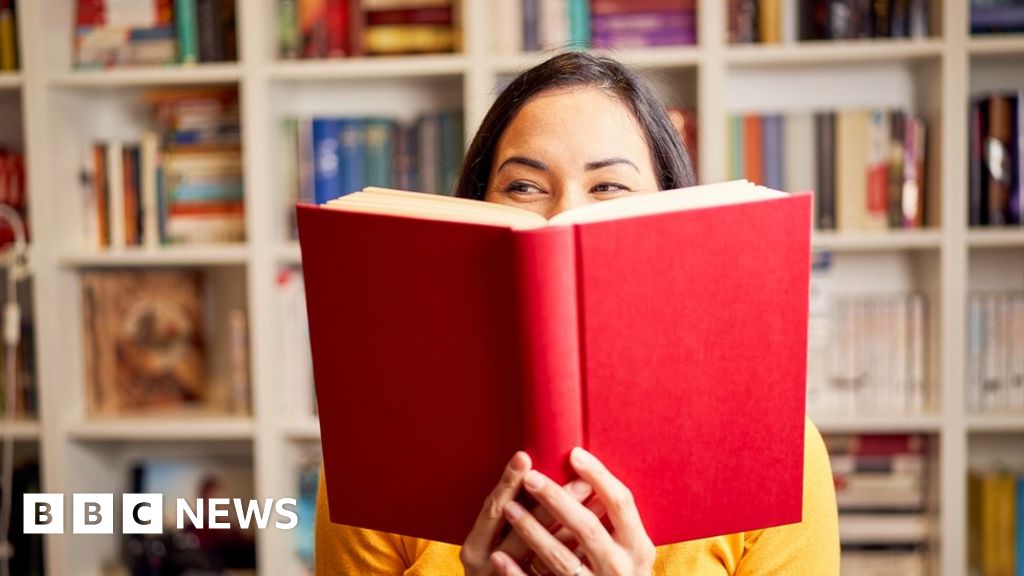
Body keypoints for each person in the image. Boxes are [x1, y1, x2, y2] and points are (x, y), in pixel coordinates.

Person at [315, 51, 840, 575]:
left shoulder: (775, 457)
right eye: (523, 186)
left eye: (608, 186)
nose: (565, 215)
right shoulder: (381, 455)